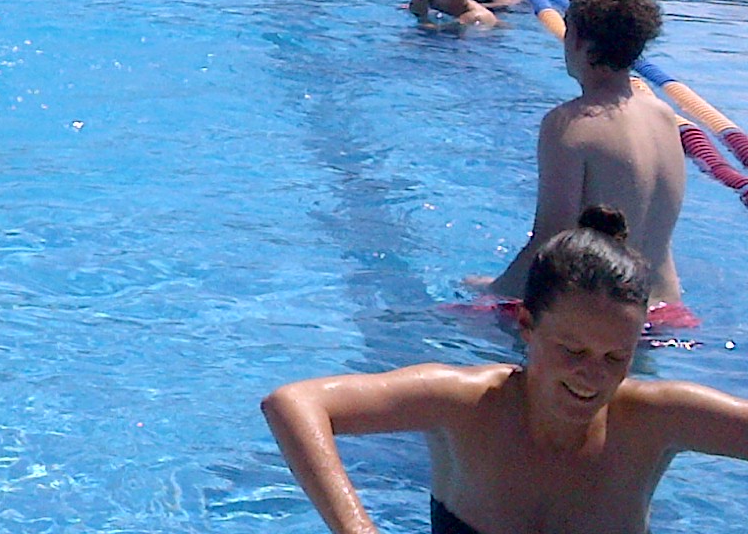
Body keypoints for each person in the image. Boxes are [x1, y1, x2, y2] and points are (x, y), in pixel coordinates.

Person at [263, 206, 748, 534]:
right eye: (573, 351)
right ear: (526, 326)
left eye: (614, 358)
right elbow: (294, 404)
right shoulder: (465, 405)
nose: (591, 375)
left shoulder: (652, 421)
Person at [485, 0, 684, 305]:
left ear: (576, 37)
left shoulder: (570, 125)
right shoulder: (663, 117)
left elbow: (552, 244)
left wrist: (490, 294)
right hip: (666, 308)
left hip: (596, 316)